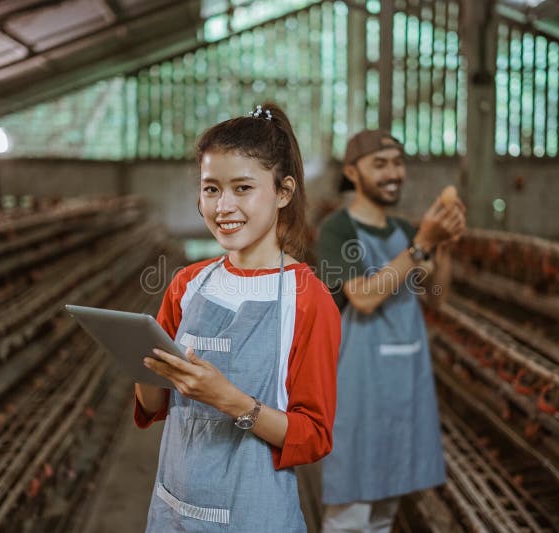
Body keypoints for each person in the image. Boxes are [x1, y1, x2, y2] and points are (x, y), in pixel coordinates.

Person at [133, 103, 341, 532]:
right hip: (171, 511)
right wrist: (141, 362)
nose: (223, 206)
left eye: (242, 188)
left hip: (255, 517)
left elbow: (314, 434)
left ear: (283, 192)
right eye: (211, 189)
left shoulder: (307, 300)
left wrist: (230, 400)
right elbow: (153, 403)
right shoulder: (187, 284)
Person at [316, 130, 466, 532]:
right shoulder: (337, 230)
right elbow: (363, 297)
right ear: (353, 171)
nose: (393, 173)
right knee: (351, 513)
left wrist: (443, 247)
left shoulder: (403, 228)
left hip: (405, 384)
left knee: (384, 511)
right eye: (379, 164)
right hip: (359, 388)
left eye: (397, 163)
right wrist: (421, 246)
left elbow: (436, 297)